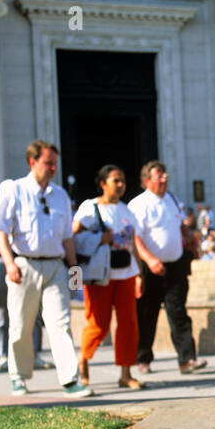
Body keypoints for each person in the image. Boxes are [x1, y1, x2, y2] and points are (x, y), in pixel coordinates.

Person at [0, 139, 92, 399]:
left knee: (61, 322)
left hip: (55, 265)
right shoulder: (14, 190)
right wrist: (10, 263)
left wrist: (74, 271)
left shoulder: (61, 196)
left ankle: (70, 379)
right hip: (24, 264)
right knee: (21, 323)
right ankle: (18, 375)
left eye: (55, 163)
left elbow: (67, 237)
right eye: (48, 163)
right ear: (33, 162)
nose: (53, 168)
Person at [72, 165, 146, 391]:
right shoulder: (89, 207)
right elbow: (74, 237)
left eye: (123, 180)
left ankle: (126, 373)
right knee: (98, 323)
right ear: (103, 183)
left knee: (128, 324)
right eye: (116, 180)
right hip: (99, 274)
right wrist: (98, 239)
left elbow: (134, 244)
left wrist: (140, 273)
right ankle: (83, 359)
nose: (121, 184)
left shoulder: (127, 211)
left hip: (126, 273)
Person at [129, 161, 204, 375]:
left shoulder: (171, 199)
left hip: (175, 265)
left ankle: (187, 359)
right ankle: (142, 358)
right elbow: (135, 239)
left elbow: (180, 224)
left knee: (178, 311)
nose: (164, 179)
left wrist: (189, 237)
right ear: (146, 181)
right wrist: (150, 260)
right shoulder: (139, 204)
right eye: (158, 176)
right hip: (150, 267)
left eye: (164, 175)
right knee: (147, 314)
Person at [0, 214, 44, 367]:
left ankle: (34, 354)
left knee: (33, 309)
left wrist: (75, 282)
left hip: (28, 260)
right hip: (0, 263)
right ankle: (3, 354)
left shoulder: (29, 213)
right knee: (2, 310)